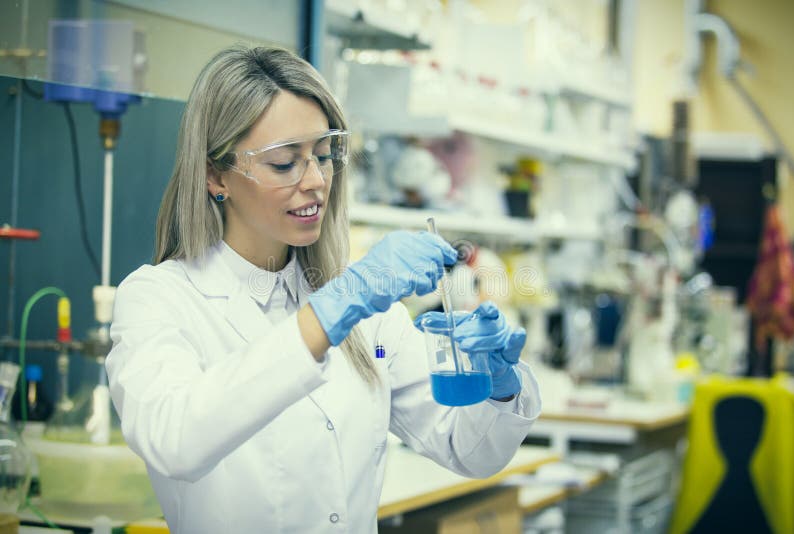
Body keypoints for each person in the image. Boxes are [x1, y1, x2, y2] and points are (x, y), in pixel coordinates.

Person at [106, 45, 541, 534]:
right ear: (215, 174)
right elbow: (174, 439)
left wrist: (497, 385)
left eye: (323, 155)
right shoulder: (160, 298)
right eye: (284, 163)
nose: (315, 181)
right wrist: (335, 306)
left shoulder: (365, 311)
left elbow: (468, 448)